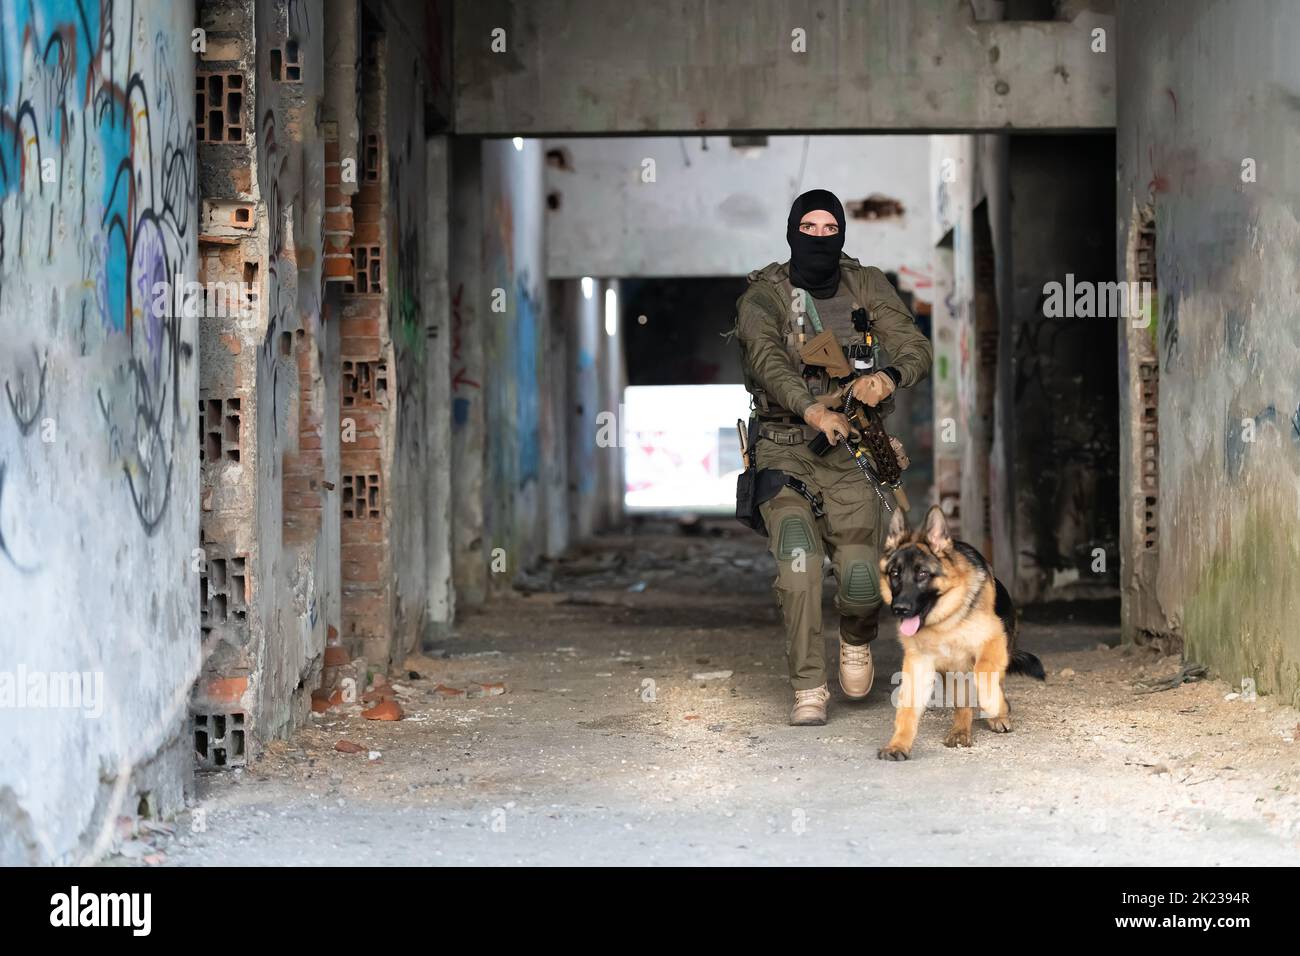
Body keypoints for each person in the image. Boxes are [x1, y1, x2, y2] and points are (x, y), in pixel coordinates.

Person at [734, 189, 933, 726]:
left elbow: (914, 346)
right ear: (792, 231)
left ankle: (856, 637)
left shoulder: (865, 284)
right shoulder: (764, 296)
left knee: (861, 578)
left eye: (829, 229)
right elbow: (768, 359)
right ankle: (807, 688)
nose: (819, 238)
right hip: (784, 447)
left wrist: (886, 377)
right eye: (810, 228)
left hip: (854, 447)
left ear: (841, 233)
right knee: (797, 561)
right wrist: (810, 409)